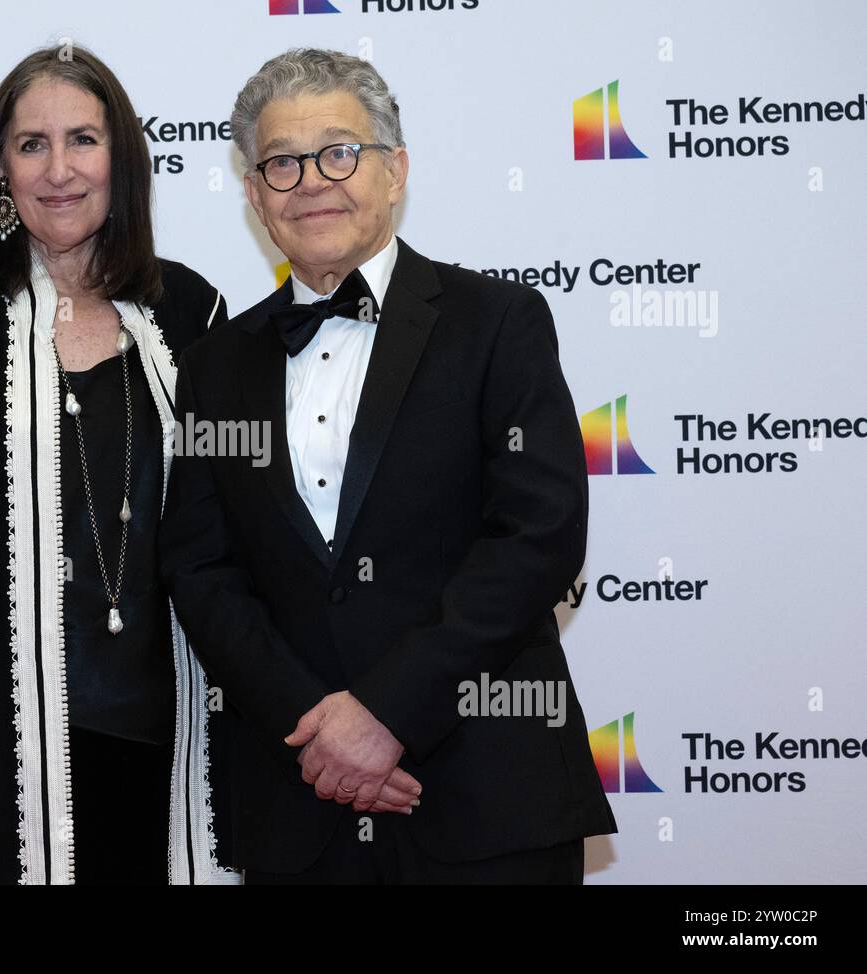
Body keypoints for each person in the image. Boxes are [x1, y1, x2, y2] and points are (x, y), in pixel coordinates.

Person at [159, 48, 617, 884]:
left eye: (339, 152)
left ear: (395, 170)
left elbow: (539, 536)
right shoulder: (214, 365)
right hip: (302, 808)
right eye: (281, 164)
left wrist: (386, 714)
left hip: (489, 797)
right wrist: (317, 728)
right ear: (256, 195)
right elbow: (201, 568)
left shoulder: (498, 322)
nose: (311, 181)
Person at [0, 43, 237, 884]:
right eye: (32, 145)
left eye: (83, 140)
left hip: (166, 732)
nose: (59, 170)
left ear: (123, 160)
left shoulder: (192, 310)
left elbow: (235, 524)